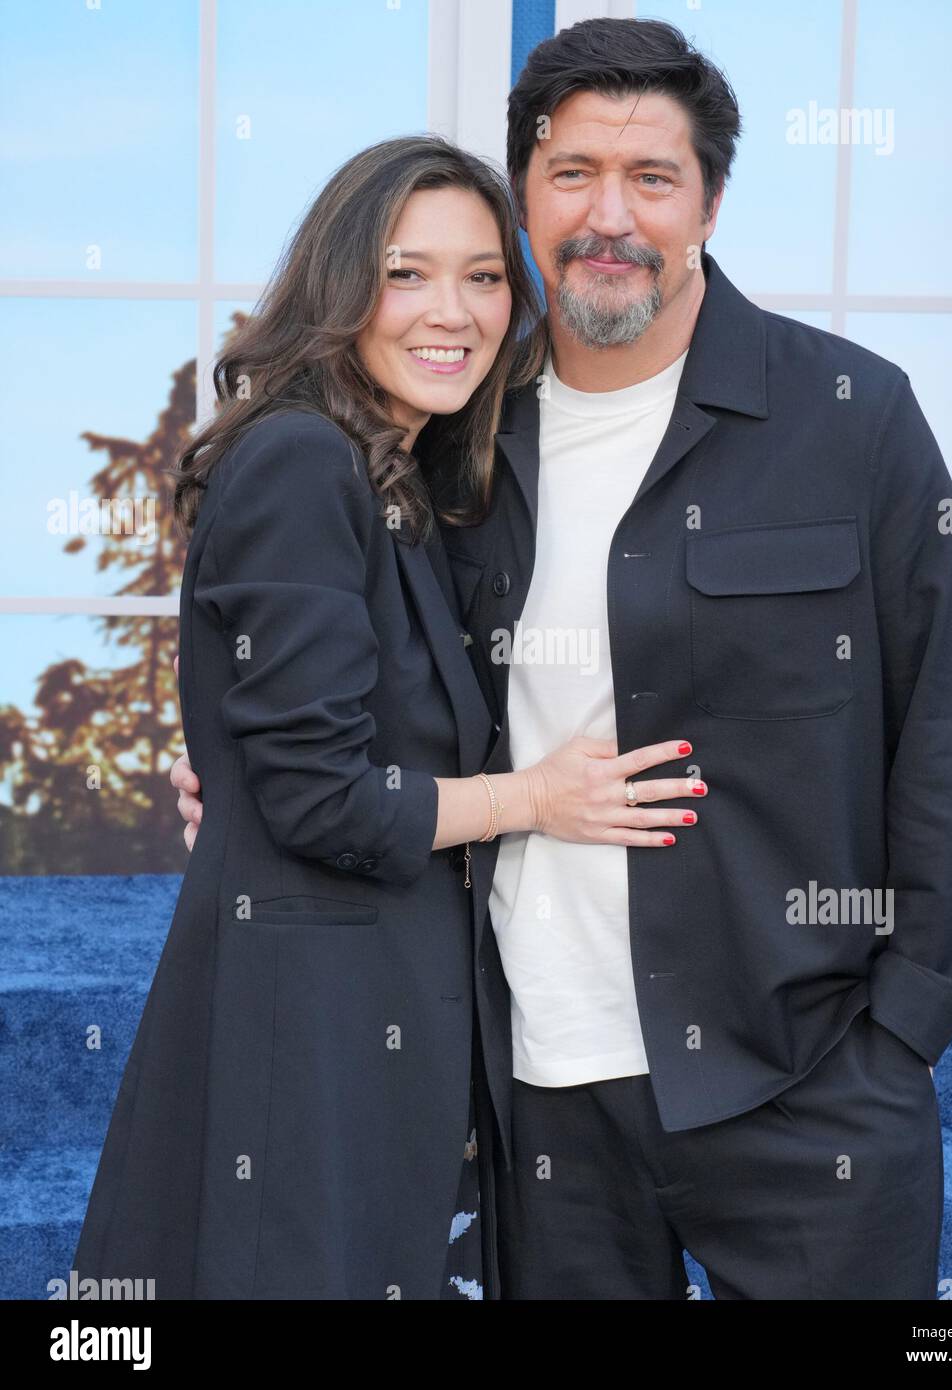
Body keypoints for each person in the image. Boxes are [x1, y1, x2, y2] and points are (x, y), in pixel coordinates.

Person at [176, 17, 952, 1300]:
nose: (606, 215)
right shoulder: (456, 434)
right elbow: (348, 685)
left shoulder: (852, 417)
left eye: (650, 179)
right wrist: (238, 776)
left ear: (710, 204)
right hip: (534, 1086)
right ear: (525, 198)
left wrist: (899, 1039)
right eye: (570, 176)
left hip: (802, 1077)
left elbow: (943, 735)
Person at [74, 133, 701, 1301]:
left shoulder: (392, 477)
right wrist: (538, 799)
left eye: (481, 275)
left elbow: (303, 746)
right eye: (406, 272)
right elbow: (321, 795)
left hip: (363, 1004)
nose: (450, 310)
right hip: (310, 1018)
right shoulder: (305, 459)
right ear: (338, 284)